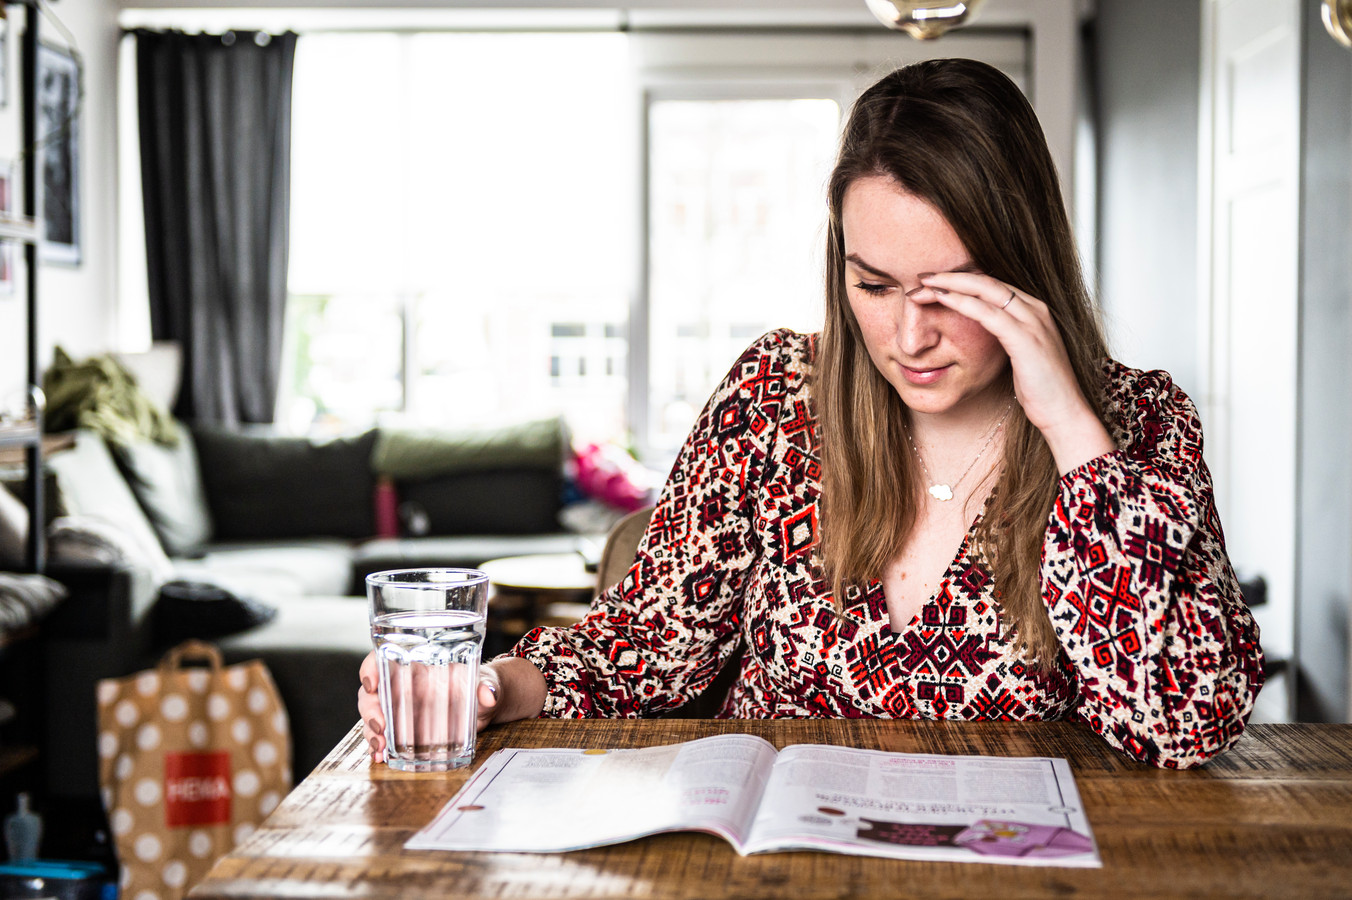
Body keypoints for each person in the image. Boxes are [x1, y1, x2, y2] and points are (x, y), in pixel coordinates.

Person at [358, 58, 1264, 769]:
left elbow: (1187, 722)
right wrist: (494, 688)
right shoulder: (773, 398)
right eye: (875, 284)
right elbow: (647, 646)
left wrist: (1071, 431)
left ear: (1023, 264)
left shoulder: (1137, 424)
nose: (910, 335)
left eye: (952, 290)